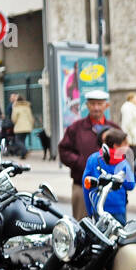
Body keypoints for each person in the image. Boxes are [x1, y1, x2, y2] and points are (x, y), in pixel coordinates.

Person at [58, 89, 121, 220]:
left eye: (100, 104)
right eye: (92, 104)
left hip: (109, 190)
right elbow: (64, 150)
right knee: (83, 227)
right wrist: (81, 163)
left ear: (106, 106)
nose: (96, 108)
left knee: (109, 230)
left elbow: (124, 151)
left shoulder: (114, 129)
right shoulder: (76, 128)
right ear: (87, 106)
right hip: (82, 186)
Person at [82, 127, 136, 224]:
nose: (128, 147)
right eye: (125, 144)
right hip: (118, 208)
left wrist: (89, 209)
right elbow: (131, 185)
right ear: (116, 146)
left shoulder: (93, 159)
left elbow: (86, 186)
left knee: (99, 237)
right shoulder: (123, 163)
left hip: (98, 206)